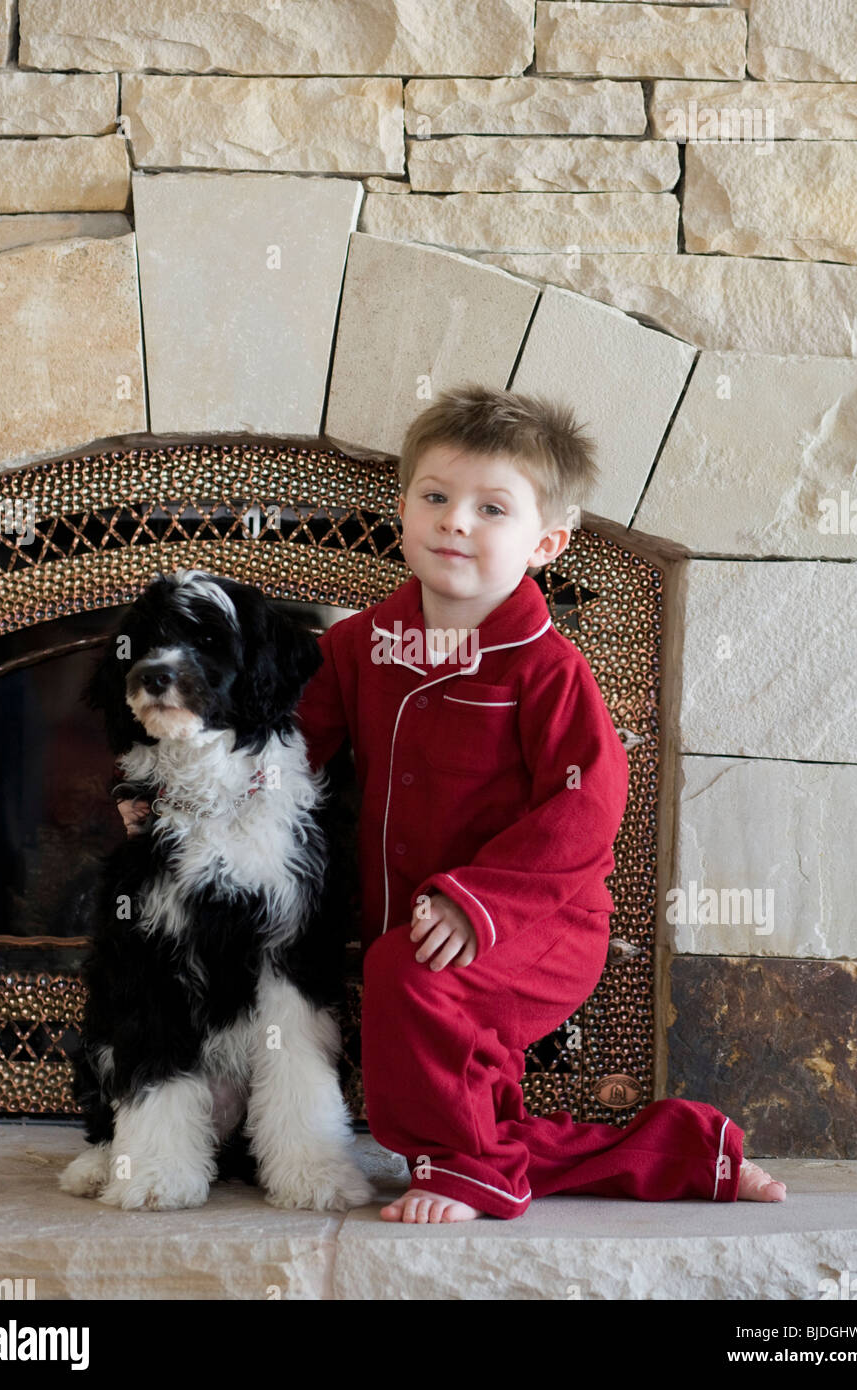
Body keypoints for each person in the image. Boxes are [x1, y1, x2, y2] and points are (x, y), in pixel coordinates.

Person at [118, 383, 787, 1221]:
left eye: (491, 508)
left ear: (546, 541)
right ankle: (691, 1153)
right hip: (413, 931)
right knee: (454, 1083)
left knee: (402, 980)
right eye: (435, 497)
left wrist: (482, 904)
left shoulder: (547, 671)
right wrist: (165, 798)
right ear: (403, 511)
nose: (455, 521)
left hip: (533, 926)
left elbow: (586, 809)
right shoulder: (362, 645)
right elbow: (282, 745)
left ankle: (476, 1172)